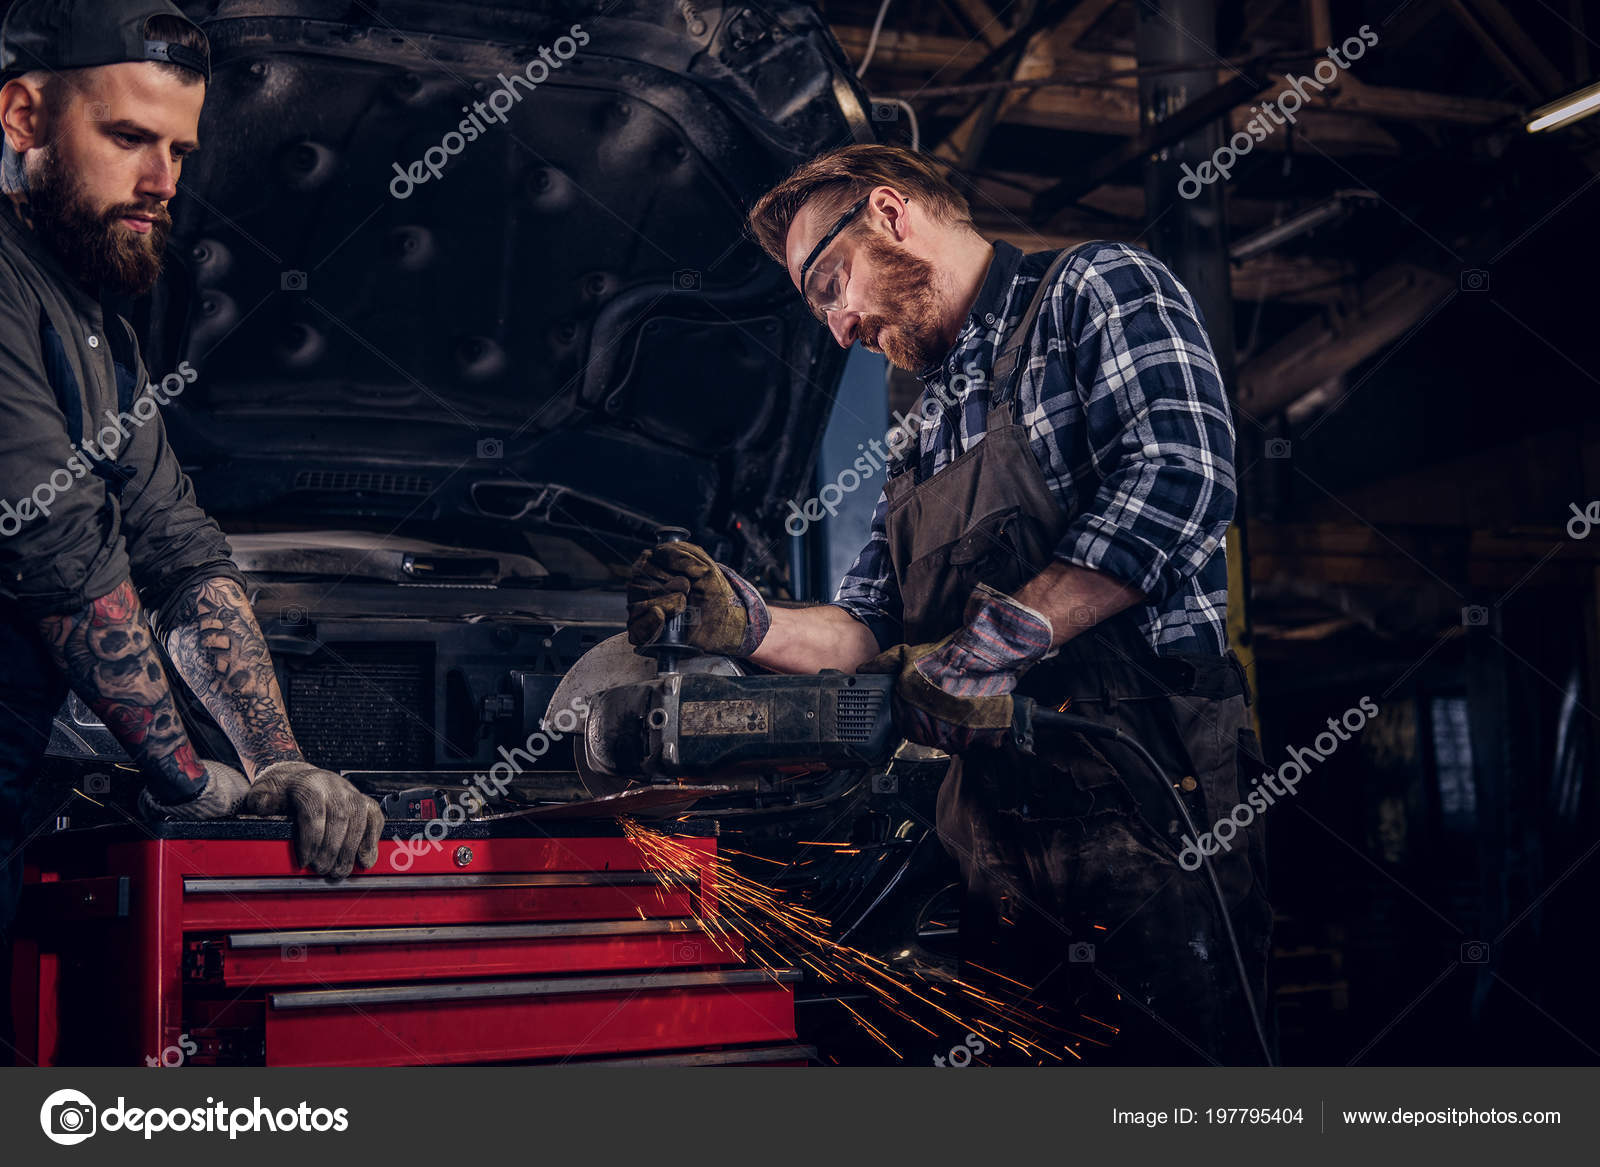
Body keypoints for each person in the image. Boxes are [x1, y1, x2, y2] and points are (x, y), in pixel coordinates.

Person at [627, 144, 1273, 1064]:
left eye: (829, 286)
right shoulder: (923, 427)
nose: (839, 327)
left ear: (889, 213)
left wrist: (990, 647)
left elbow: (1182, 477)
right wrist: (747, 618)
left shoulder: (1096, 287)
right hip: (997, 844)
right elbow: (863, 626)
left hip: (1145, 815)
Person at [0, 0, 385, 965]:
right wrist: (195, 784)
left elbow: (174, 544)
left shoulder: (97, 322)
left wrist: (276, 758)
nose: (160, 181)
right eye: (128, 137)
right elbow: (58, 557)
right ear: (23, 116)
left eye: (179, 150)